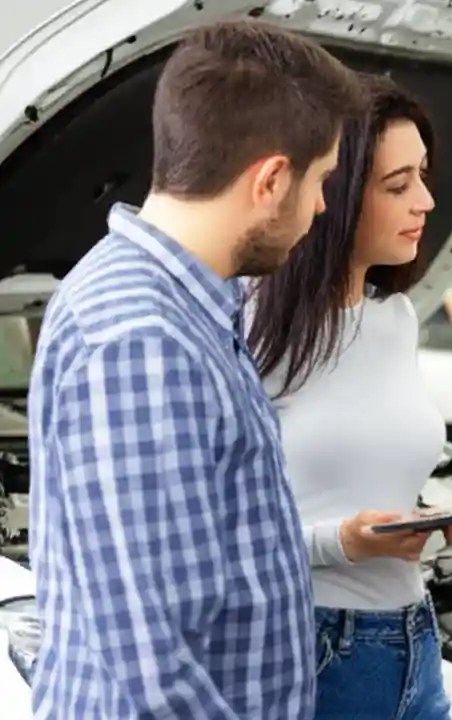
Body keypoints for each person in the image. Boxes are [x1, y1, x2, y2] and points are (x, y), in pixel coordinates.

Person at [25, 20, 364, 719]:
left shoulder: (187, 309)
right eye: (322, 180)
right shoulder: (141, 339)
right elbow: (152, 659)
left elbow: (219, 561)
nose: (323, 206)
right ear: (271, 179)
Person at [245, 74, 452, 720]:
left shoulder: (397, 318)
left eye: (424, 175)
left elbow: (377, 491)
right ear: (338, 192)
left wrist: (439, 522)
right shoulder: (252, 327)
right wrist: (343, 542)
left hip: (414, 638)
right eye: (398, 184)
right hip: (316, 649)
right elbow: (218, 539)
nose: (428, 201)